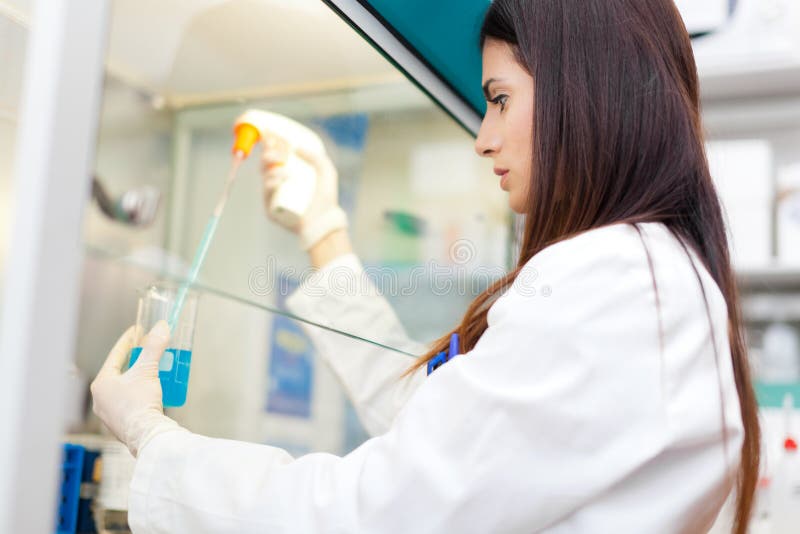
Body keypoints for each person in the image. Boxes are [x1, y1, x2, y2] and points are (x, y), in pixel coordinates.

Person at [90, 1, 761, 532]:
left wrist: (154, 439)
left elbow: (374, 513)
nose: (484, 139)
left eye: (499, 98)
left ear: (584, 91)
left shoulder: (609, 279)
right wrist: (323, 230)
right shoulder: (653, 279)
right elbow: (440, 434)